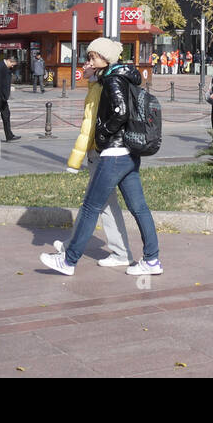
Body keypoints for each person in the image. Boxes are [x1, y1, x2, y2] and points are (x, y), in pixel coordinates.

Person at [41, 36, 161, 277]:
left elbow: (120, 111)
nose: (90, 59)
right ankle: (152, 260)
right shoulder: (123, 75)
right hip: (129, 153)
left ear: (105, 58)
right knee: (139, 208)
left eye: (93, 56)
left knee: (90, 207)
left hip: (114, 154)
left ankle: (69, 260)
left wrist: (103, 131)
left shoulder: (113, 79)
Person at [59, 41, 132, 269]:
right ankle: (75, 245)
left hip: (102, 153)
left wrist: (87, 151)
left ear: (105, 60)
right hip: (103, 152)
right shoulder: (98, 84)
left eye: (92, 58)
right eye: (87, 58)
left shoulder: (104, 85)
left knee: (100, 204)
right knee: (99, 203)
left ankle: (118, 253)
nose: (87, 63)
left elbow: (92, 124)